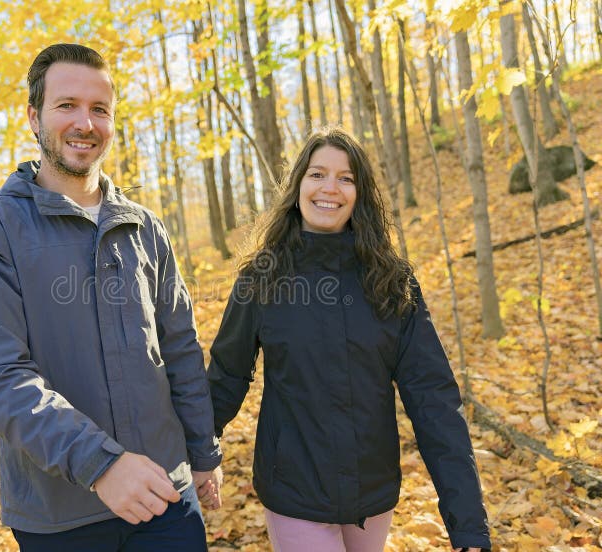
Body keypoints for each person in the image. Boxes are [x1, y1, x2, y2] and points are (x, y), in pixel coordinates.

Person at [0, 43, 222, 551]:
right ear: (34, 117)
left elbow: (180, 349)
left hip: (166, 497)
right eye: (66, 105)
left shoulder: (145, 228)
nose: (85, 123)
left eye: (100, 109)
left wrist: (203, 452)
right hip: (59, 516)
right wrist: (102, 464)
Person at [207, 127, 491, 552]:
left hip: (372, 495)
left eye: (346, 178)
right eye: (317, 174)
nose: (330, 188)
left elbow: (433, 399)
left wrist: (468, 523)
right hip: (294, 489)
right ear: (298, 185)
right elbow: (226, 377)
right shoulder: (261, 279)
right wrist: (195, 451)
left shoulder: (392, 283)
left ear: (360, 194)